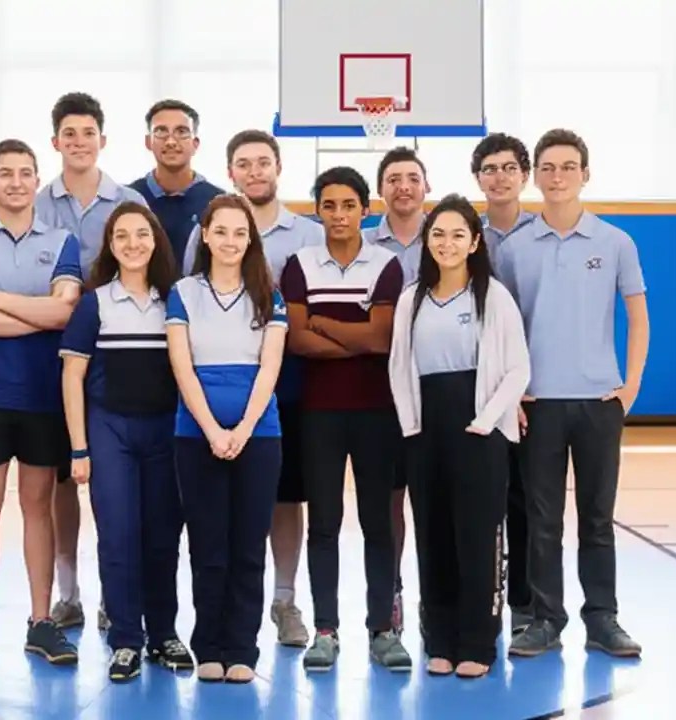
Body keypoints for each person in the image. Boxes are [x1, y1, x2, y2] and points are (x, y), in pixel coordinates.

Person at [498, 129, 650, 659]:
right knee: (542, 521)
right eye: (548, 167)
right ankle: (545, 619)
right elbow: (503, 328)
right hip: (538, 404)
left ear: (585, 174)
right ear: (535, 177)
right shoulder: (514, 249)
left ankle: (603, 618)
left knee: (597, 519)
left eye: (568, 167)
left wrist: (629, 388)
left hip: (598, 403)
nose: (557, 176)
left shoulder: (615, 243)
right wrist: (512, 391)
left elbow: (638, 317)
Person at [182, 129, 323, 648]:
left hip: (287, 389)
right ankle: (213, 624)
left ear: (278, 167)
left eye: (264, 162)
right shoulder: (204, 236)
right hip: (213, 397)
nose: (255, 171)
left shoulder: (307, 234)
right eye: (244, 163)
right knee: (218, 515)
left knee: (284, 498)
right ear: (230, 172)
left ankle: (284, 599)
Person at [0, 139, 84, 669]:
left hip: (42, 397)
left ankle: (41, 621)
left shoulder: (62, 240)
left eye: (26, 173)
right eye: (5, 173)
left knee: (37, 507)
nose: (16, 182)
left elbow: (65, 315)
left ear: (36, 180)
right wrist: (37, 314)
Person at [387, 193, 531, 679]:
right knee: (433, 536)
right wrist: (411, 425)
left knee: (478, 537)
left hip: (479, 431)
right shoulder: (412, 299)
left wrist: (487, 420)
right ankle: (441, 640)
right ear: (427, 241)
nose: (446, 243)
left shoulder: (493, 296)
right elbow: (398, 367)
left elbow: (517, 369)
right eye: (438, 234)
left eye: (457, 235)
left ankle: (478, 642)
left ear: (474, 243)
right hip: (426, 431)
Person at [280, 167, 410, 673]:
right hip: (319, 415)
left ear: (365, 209)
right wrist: (353, 337)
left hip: (377, 413)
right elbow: (297, 340)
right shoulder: (299, 264)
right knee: (324, 524)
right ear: (317, 211)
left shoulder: (386, 265)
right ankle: (326, 630)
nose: (339, 215)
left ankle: (382, 629)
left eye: (349, 205)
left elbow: (383, 339)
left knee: (379, 523)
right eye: (329, 205)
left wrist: (322, 322)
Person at [59, 202, 194, 682]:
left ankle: (163, 634)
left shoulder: (175, 300)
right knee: (118, 536)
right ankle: (126, 641)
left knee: (163, 536)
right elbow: (72, 376)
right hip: (110, 431)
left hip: (165, 432)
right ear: (110, 246)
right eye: (122, 236)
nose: (133, 244)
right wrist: (79, 448)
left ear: (156, 241)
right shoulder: (95, 303)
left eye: (141, 234)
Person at [35, 91, 149, 631]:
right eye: (69, 134)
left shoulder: (129, 202)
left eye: (88, 133)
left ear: (103, 139)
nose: (79, 142)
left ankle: (114, 594)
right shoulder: (38, 204)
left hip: (116, 360)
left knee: (111, 486)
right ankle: (68, 593)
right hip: (50, 354)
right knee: (64, 479)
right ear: (55, 142)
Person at [168, 194, 287, 684]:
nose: (230, 241)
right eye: (221, 231)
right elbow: (182, 368)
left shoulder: (269, 295)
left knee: (248, 547)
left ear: (251, 239)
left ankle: (242, 649)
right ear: (206, 236)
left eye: (240, 233)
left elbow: (270, 367)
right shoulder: (184, 293)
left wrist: (242, 430)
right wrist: (213, 430)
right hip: (195, 437)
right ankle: (209, 646)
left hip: (259, 437)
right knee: (208, 545)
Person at [363, 146, 431, 632]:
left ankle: (438, 596)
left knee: (434, 500)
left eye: (412, 177)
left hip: (438, 387)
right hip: (380, 391)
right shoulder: (364, 244)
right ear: (380, 190)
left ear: (427, 185)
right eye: (393, 179)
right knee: (388, 500)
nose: (403, 186)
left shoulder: (450, 235)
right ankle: (392, 592)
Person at [470, 132, 536, 634]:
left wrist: (520, 390)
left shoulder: (543, 235)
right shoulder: (465, 235)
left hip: (531, 389)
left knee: (526, 504)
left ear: (524, 175)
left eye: (509, 167)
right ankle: (479, 598)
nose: (499, 177)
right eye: (489, 169)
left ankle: (526, 606)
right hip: (482, 393)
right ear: (478, 178)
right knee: (485, 501)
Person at [128, 99, 224, 269]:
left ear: (195, 144)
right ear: (148, 142)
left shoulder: (218, 201)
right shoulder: (130, 198)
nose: (171, 141)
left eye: (181, 132)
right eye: (161, 131)